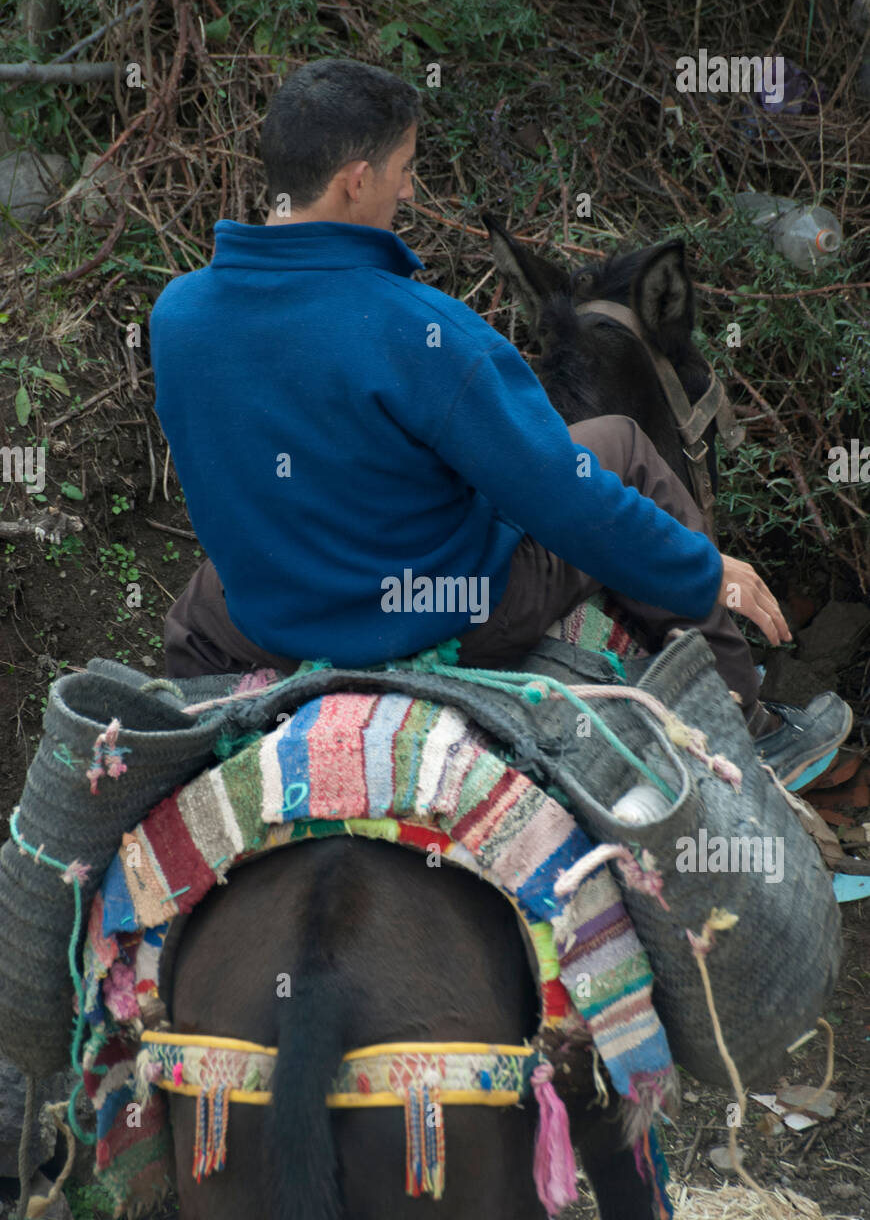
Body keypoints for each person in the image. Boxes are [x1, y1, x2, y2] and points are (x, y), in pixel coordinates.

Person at [150, 58, 851, 792]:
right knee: (618, 445)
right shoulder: (425, 330)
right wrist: (704, 569)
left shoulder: (178, 317)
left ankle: (205, 755)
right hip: (446, 613)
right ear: (356, 179)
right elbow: (562, 497)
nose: (411, 188)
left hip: (274, 618)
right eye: (405, 167)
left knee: (195, 609)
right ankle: (751, 728)